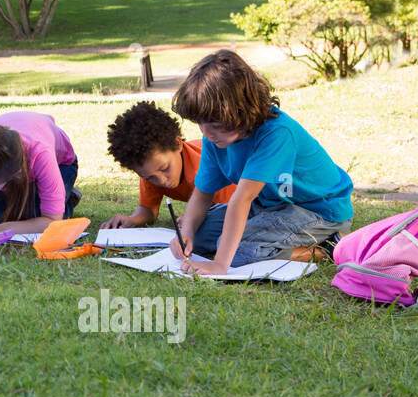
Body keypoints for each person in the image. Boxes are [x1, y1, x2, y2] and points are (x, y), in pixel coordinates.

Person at [169, 50, 354, 274]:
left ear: (241, 110)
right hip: (271, 205)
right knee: (198, 236)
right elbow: (202, 194)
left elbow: (242, 199)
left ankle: (328, 246)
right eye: (200, 124)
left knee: (238, 253)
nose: (207, 134)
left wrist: (219, 265)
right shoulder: (215, 140)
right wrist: (186, 232)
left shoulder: (276, 134)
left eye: (215, 124)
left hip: (317, 210)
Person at [102, 100, 236, 229]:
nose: (161, 181)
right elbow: (148, 210)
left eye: (165, 168)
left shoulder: (207, 168)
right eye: (149, 177)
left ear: (178, 144)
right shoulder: (152, 170)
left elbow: (234, 209)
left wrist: (194, 218)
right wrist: (131, 220)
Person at [0, 112, 81, 237]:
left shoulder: (41, 155)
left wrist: (0, 229)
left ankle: (67, 197)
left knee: (34, 214)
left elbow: (51, 220)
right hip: (6, 169)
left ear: (15, 175)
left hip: (61, 164)